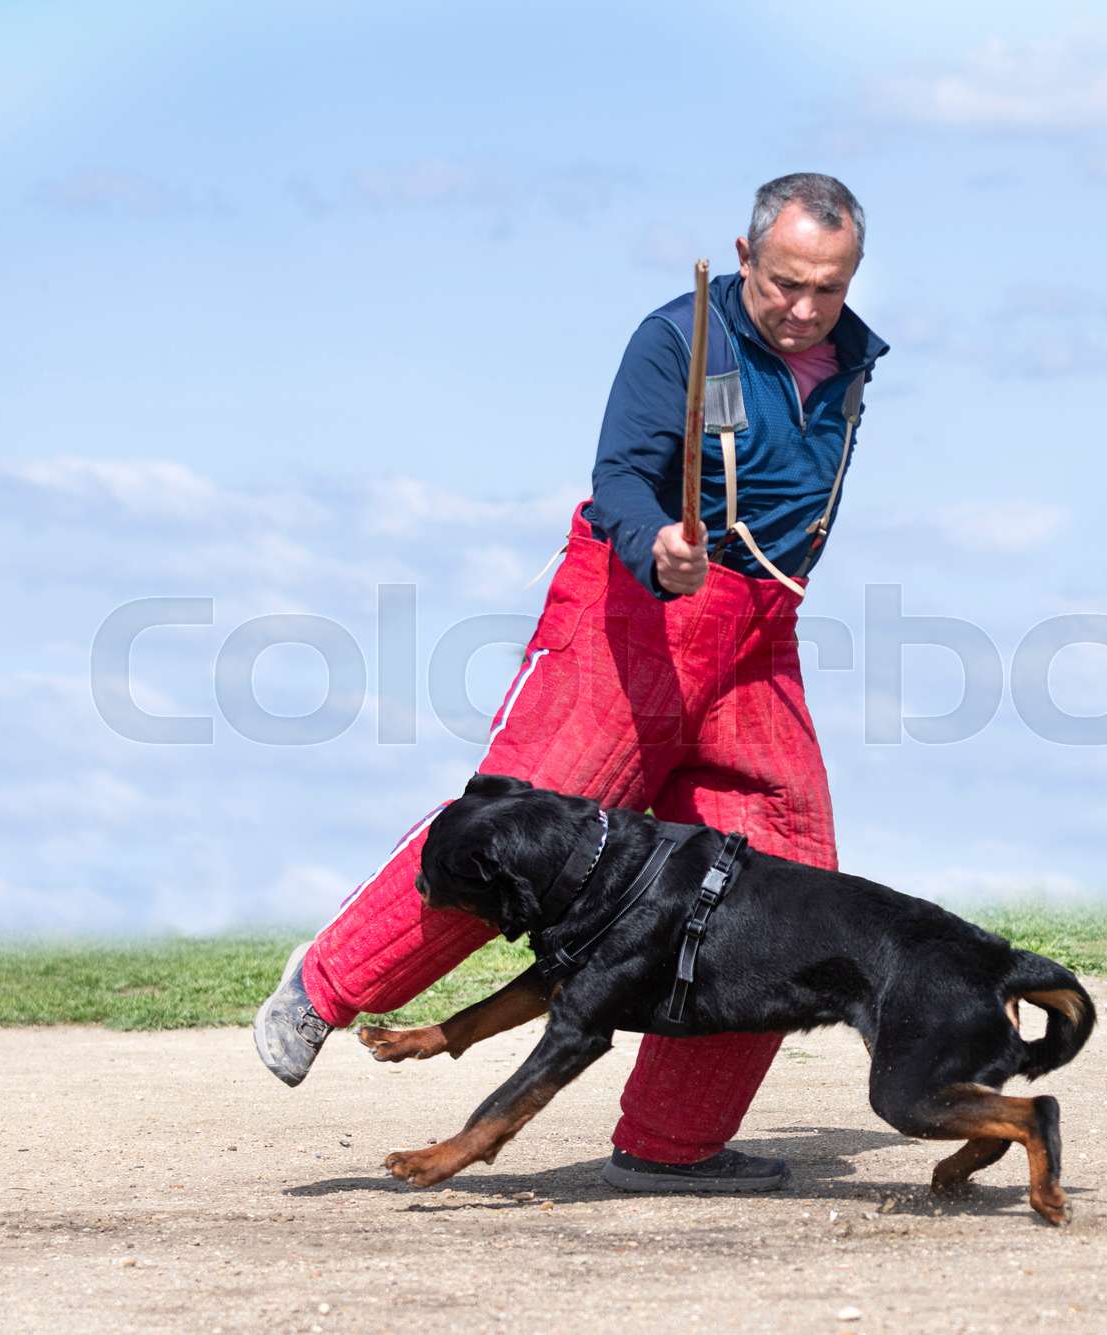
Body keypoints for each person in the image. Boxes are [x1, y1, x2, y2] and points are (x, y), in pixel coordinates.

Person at [255, 172, 888, 1192]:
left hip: (758, 640)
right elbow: (621, 479)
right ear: (743, 256)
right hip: (630, 613)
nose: (805, 309)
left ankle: (672, 1143)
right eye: (784, 284)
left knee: (781, 880)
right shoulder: (677, 339)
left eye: (828, 286)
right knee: (524, 833)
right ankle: (327, 985)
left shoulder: (855, 360)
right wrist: (657, 545)